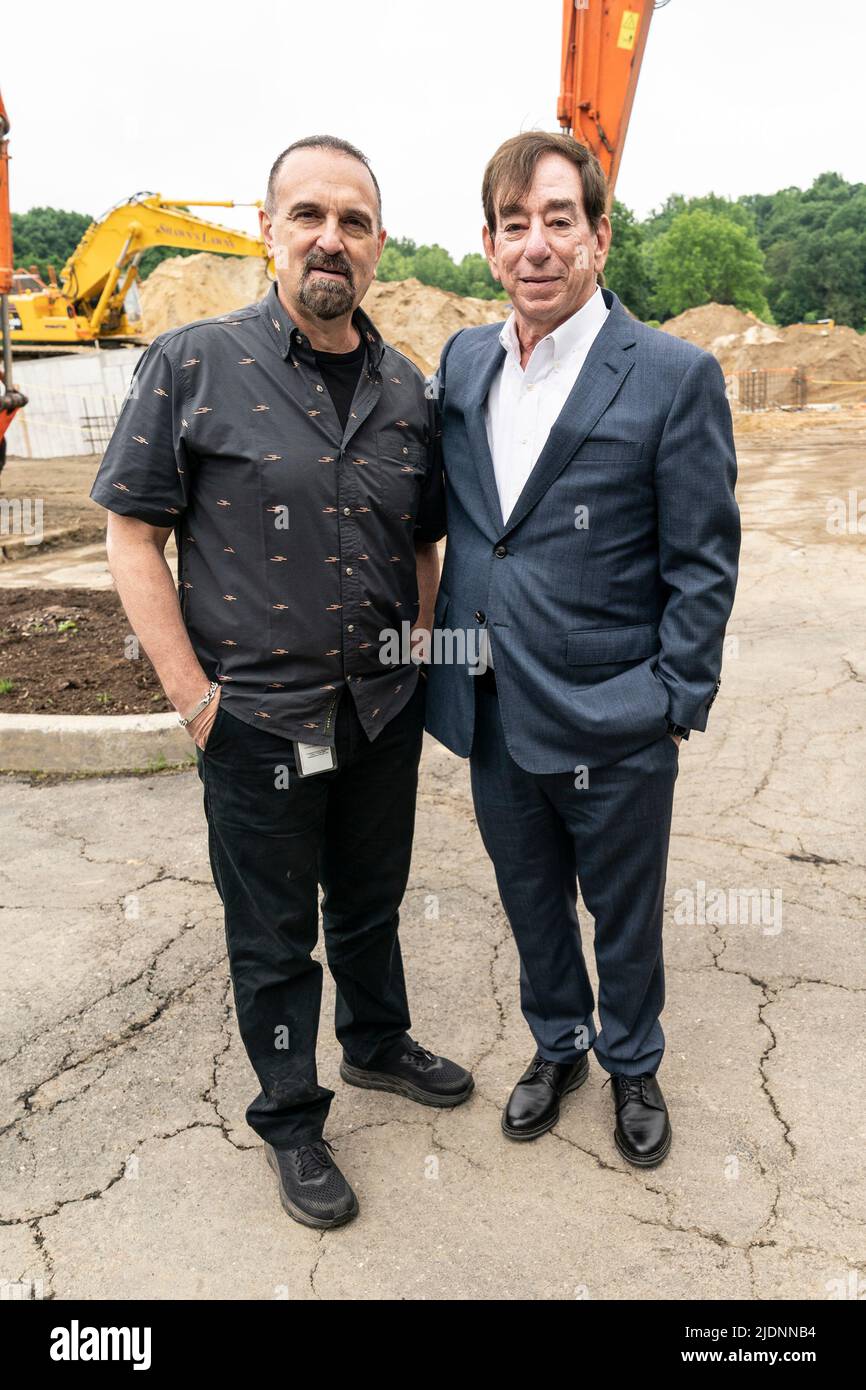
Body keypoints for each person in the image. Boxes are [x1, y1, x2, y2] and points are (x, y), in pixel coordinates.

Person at [90, 135, 473, 1230]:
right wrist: (194, 700)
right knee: (270, 934)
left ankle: (375, 1041)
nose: (329, 239)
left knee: (369, 901)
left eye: (353, 222)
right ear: (266, 230)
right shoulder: (192, 362)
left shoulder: (407, 389)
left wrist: (418, 651)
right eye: (307, 215)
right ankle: (291, 1115)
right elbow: (130, 536)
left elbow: (422, 543)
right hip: (255, 722)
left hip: (377, 714)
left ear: (378, 247)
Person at [425, 131, 740, 1167]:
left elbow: (701, 561)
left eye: (558, 221)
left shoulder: (671, 376)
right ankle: (555, 1043)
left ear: (598, 237)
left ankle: (631, 1059)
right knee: (527, 898)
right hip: (489, 705)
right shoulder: (464, 360)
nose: (536, 246)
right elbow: (476, 526)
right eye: (514, 226)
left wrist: (668, 699)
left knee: (623, 911)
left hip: (613, 715)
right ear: (486, 244)